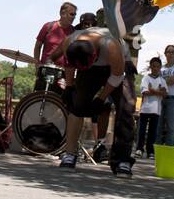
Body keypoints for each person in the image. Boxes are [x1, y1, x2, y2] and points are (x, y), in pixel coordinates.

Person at [56, 25, 137, 177]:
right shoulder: (70, 42)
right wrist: (69, 86)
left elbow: (117, 76)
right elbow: (68, 64)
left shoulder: (111, 45)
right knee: (76, 105)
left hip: (120, 65)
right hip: (89, 70)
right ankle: (70, 154)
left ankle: (122, 160)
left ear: (95, 53)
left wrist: (101, 98)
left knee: (126, 108)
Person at [33, 2, 77, 91]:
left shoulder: (74, 32)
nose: (74, 17)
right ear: (62, 13)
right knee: (38, 98)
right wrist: (37, 64)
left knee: (59, 102)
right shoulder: (48, 26)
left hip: (64, 73)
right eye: (71, 14)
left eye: (75, 15)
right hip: (45, 70)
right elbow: (37, 46)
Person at [136, 55, 168, 159]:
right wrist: (158, 92)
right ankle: (139, 149)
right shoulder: (146, 78)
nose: (155, 68)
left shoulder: (162, 80)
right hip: (145, 108)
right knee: (141, 130)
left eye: (158, 66)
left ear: (160, 68)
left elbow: (164, 93)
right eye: (153, 66)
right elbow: (145, 92)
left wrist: (153, 91)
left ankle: (150, 151)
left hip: (156, 109)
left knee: (153, 132)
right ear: (150, 67)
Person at [156, 45, 174, 146]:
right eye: (168, 52)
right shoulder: (161, 68)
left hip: (173, 99)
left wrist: (162, 81)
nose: (170, 54)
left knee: (171, 127)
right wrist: (166, 80)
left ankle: (168, 150)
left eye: (173, 52)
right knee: (158, 126)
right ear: (165, 54)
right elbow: (156, 81)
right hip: (160, 99)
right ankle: (155, 150)